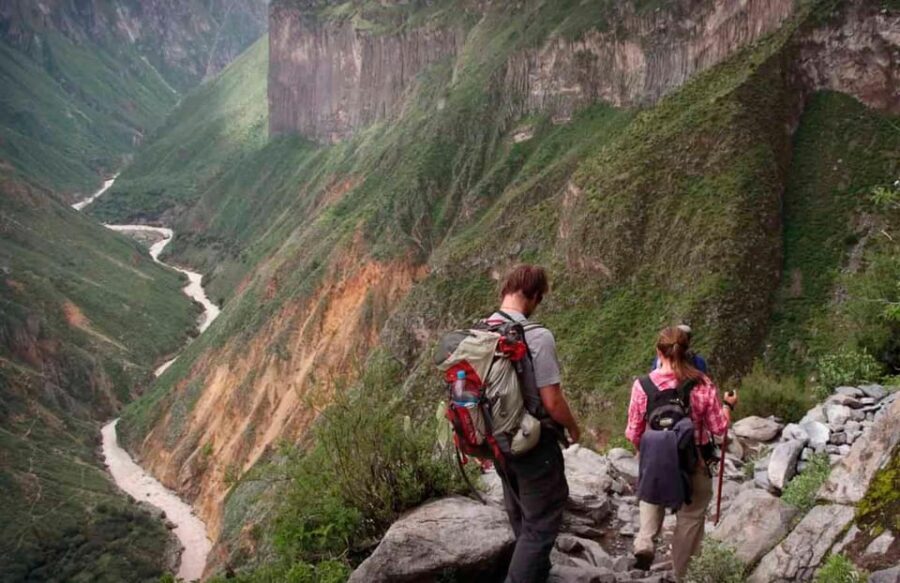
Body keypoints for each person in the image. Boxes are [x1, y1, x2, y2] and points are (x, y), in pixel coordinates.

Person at [487, 264, 582, 583]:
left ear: (505, 291)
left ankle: (536, 573)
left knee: (520, 514)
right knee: (541, 522)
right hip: (532, 444)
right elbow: (552, 400)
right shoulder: (536, 336)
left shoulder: (481, 332)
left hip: (497, 444)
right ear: (535, 296)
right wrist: (573, 427)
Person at [626, 326, 738, 581]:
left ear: (658, 352)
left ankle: (645, 539)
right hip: (694, 460)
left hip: (657, 456)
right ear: (687, 353)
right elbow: (720, 428)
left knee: (652, 489)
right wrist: (728, 406)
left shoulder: (642, 386)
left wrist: (649, 454)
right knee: (691, 517)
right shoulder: (703, 384)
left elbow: (633, 433)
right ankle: (682, 574)